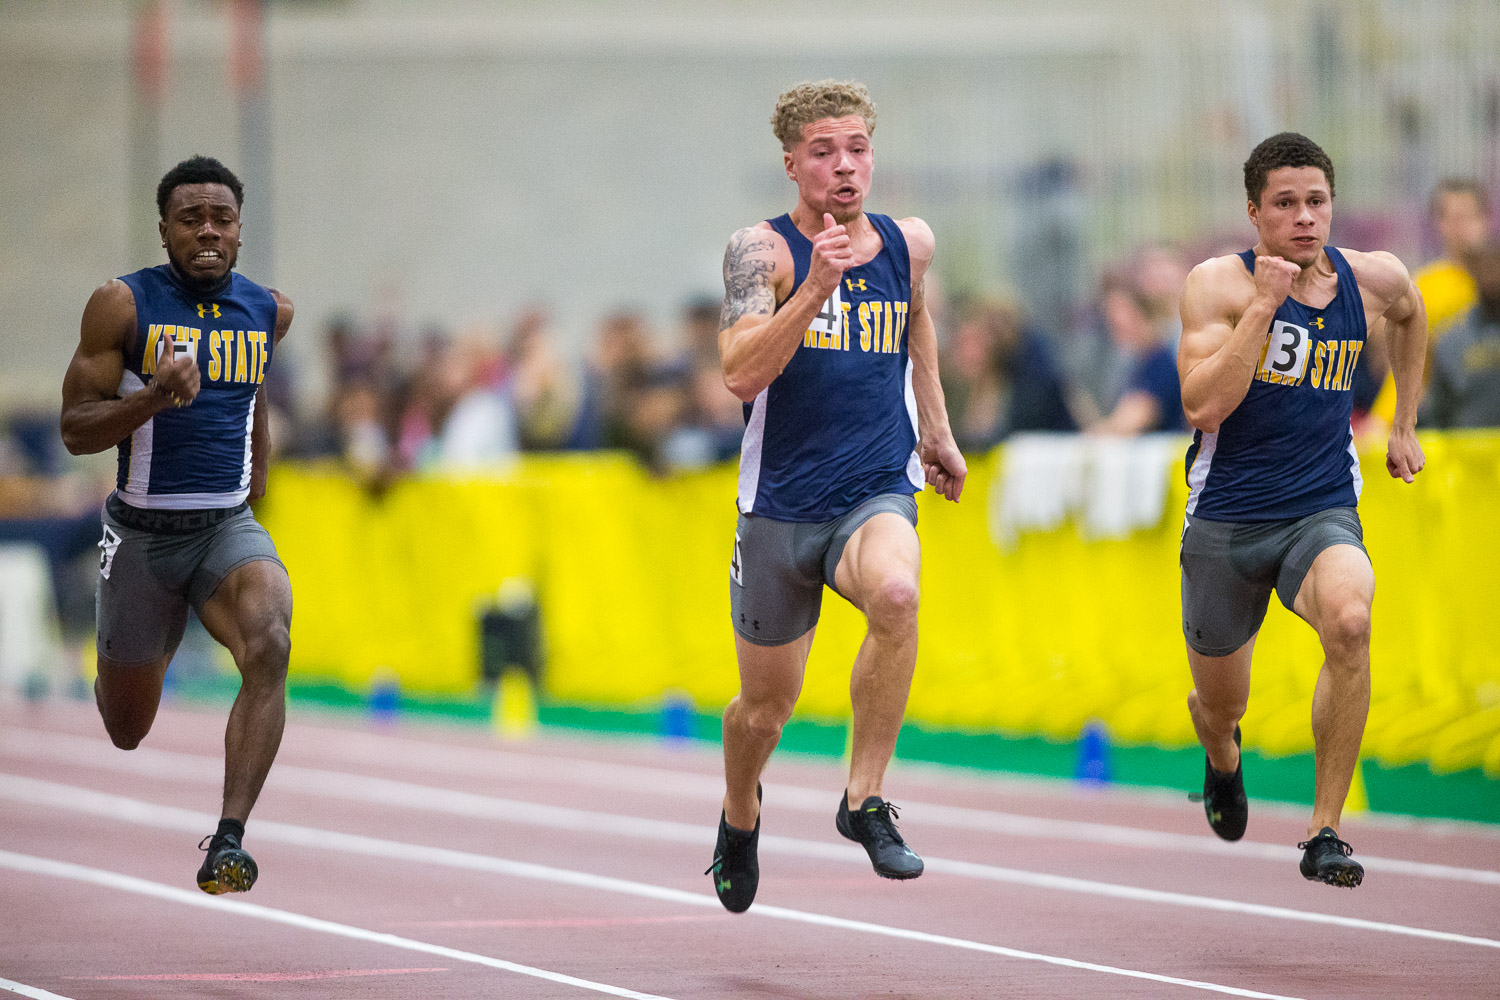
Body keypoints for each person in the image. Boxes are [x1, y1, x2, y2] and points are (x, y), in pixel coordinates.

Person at [705, 80, 966, 913]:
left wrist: (936, 425)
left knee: (897, 591)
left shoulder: (908, 242)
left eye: (856, 149)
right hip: (780, 504)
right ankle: (740, 813)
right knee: (764, 708)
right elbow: (741, 372)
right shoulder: (763, 253)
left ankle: (864, 798)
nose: (844, 167)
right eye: (823, 152)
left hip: (873, 485)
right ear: (792, 165)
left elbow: (915, 315)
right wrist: (815, 288)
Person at [1176, 133, 1426, 887]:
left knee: (1351, 619)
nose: (1304, 218)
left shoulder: (1373, 279)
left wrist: (1405, 421)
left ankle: (1325, 832)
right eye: (1285, 204)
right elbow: (1203, 405)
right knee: (1223, 705)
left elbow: (1412, 316)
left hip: (1319, 510)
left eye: (1316, 202)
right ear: (1254, 213)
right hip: (1225, 522)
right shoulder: (1216, 286)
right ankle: (1222, 757)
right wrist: (1264, 309)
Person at [59, 156, 294, 895]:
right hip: (141, 536)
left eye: (221, 218)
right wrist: (155, 397)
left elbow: (251, 397)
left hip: (226, 528)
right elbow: (74, 429)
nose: (207, 230)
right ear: (163, 229)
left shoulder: (271, 311)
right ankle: (120, 653)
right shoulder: (121, 307)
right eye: (190, 217)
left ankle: (229, 839)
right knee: (127, 727)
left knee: (273, 639)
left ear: (239, 233)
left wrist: (259, 480)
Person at [1369, 179, 1491, 424]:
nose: (1461, 228)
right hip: (1439, 420)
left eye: (1469, 217)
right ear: (1440, 224)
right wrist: (1383, 422)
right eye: (1453, 218)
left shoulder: (1491, 288)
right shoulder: (1425, 287)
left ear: (1486, 220)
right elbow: (1403, 368)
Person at [1424, 241, 1500, 428]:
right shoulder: (1450, 341)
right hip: (1467, 453)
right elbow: (1438, 411)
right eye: (1486, 269)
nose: (1492, 277)